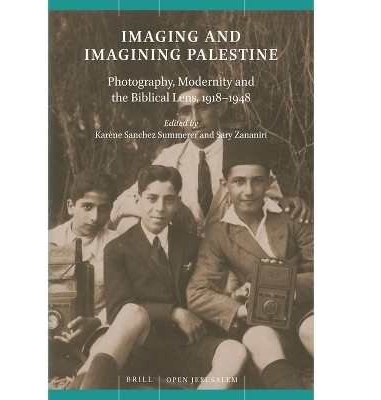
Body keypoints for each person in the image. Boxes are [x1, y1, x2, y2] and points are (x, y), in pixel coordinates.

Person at [71, 165, 249, 390]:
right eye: (152, 199)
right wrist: (172, 312)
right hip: (144, 345)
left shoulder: (193, 244)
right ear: (138, 201)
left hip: (189, 343)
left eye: (169, 200)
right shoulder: (117, 248)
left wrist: (233, 295)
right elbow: (116, 310)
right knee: (130, 311)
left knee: (235, 351)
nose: (160, 208)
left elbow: (208, 291)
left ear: (178, 203)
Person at [186, 139, 314, 389]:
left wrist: (285, 286)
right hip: (265, 321)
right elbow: (197, 294)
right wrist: (244, 309)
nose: (249, 190)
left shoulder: (292, 216)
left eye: (257, 180)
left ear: (268, 182)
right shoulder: (219, 233)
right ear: (224, 185)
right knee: (257, 338)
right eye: (239, 181)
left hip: (305, 311)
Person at [110, 85, 312, 236]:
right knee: (128, 223)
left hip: (233, 252)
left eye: (202, 107)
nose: (195, 118)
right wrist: (174, 209)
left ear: (219, 108)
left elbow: (273, 203)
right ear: (179, 119)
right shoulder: (170, 157)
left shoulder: (243, 150)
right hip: (183, 253)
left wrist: (288, 203)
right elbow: (121, 204)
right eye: (186, 111)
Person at [49, 170, 118, 365]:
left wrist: (97, 321)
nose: (95, 217)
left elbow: (123, 297)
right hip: (51, 328)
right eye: (87, 207)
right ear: (71, 206)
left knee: (104, 355)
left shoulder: (118, 244)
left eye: (103, 209)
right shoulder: (48, 241)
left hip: (98, 330)